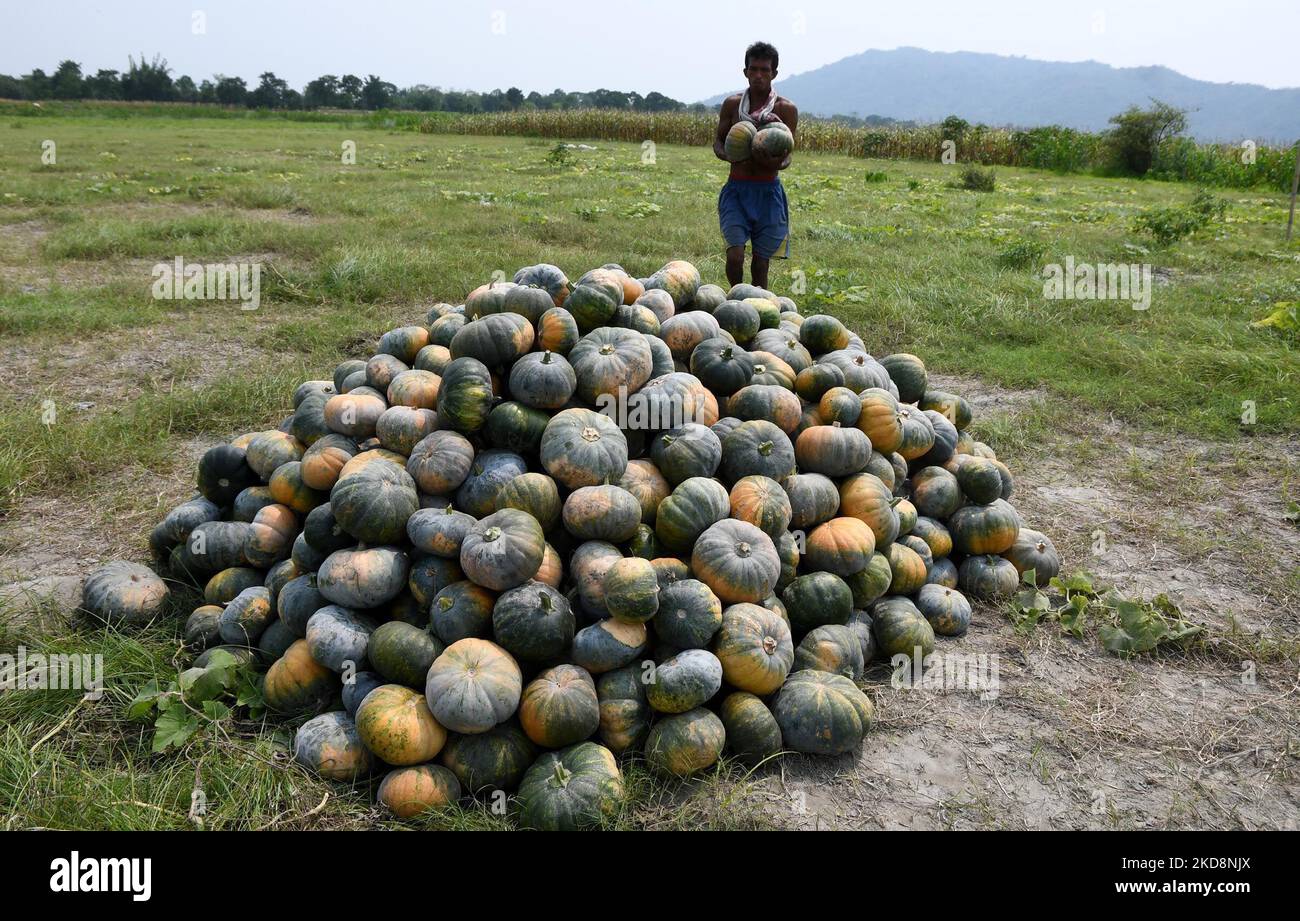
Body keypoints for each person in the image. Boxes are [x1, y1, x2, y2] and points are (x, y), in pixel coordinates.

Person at [713, 41, 799, 290]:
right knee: (735, 255)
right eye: (753, 70)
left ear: (774, 73)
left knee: (761, 264)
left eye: (764, 70)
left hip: (768, 192)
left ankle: (758, 306)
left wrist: (775, 162)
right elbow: (718, 143)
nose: (758, 75)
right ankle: (735, 298)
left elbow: (788, 154)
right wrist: (730, 156)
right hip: (737, 190)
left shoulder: (786, 109)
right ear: (745, 72)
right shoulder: (732, 105)